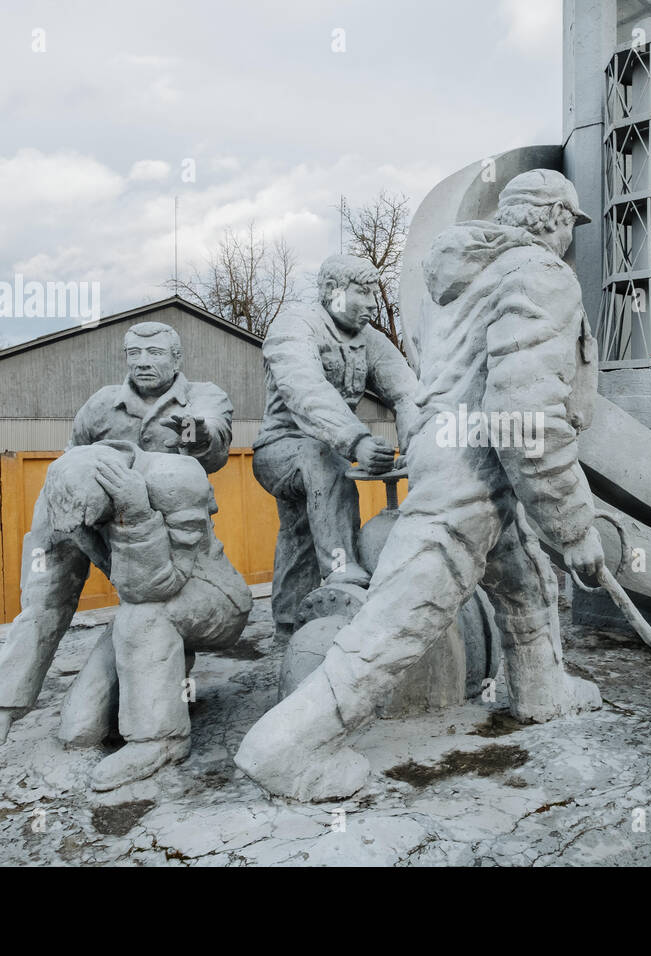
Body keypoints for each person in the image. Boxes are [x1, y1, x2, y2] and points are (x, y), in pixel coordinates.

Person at [235, 169, 605, 801]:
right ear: (552, 218)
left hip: (460, 452)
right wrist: (573, 524)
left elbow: (430, 389)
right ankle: (289, 745)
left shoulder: (475, 281)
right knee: (408, 606)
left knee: (525, 581)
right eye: (570, 220)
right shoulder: (542, 277)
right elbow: (527, 414)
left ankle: (542, 688)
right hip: (476, 465)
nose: (570, 234)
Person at [0, 441, 251, 791]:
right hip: (144, 608)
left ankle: (160, 739)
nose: (87, 529)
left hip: (214, 600)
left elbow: (159, 586)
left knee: (141, 617)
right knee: (79, 729)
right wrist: (4, 699)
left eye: (98, 519)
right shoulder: (59, 498)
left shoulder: (177, 478)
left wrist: (133, 516)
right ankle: (162, 672)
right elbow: (45, 602)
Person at [252, 255, 419, 638]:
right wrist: (356, 439)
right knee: (321, 456)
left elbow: (408, 393)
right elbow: (305, 389)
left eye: (376, 293)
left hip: (330, 454)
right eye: (364, 293)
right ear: (334, 292)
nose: (374, 305)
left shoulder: (370, 340)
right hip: (280, 451)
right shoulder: (295, 326)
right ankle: (342, 569)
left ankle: (288, 626)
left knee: (300, 533)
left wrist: (416, 442)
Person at [70, 321, 233, 474]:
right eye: (134, 353)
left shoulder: (204, 396)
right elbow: (71, 460)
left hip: (179, 501)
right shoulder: (101, 403)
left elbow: (213, 434)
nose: (143, 363)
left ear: (176, 359)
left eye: (155, 353)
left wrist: (199, 440)